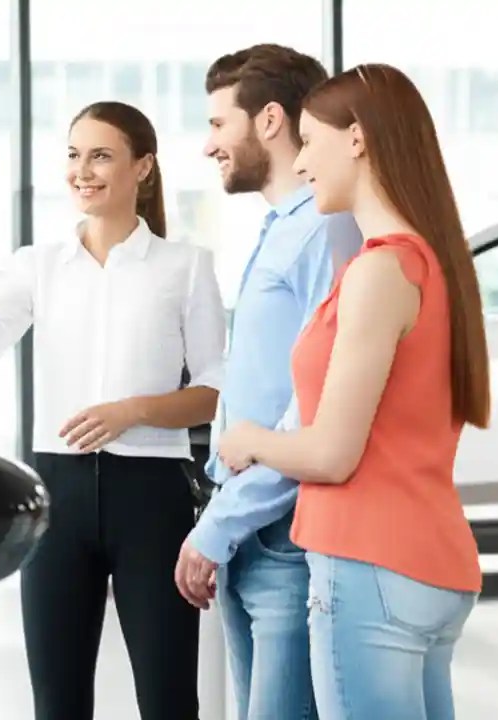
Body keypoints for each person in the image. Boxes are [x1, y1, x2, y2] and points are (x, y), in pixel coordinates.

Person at [0, 101, 226, 720]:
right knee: (57, 701)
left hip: (152, 498)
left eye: (101, 155)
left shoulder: (186, 267)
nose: (81, 170)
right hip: (56, 497)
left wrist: (132, 410)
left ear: (143, 168)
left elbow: (217, 391)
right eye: (73, 154)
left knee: (169, 698)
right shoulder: (38, 264)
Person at [217, 63, 489, 720]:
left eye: (311, 140)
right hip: (434, 566)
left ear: (358, 138)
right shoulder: (434, 262)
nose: (303, 162)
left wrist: (248, 439)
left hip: (369, 566)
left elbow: (333, 454)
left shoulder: (379, 270)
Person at [173, 43, 363, 720]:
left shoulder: (325, 233)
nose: (208, 146)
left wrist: (218, 527)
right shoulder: (282, 230)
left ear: (272, 121)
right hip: (247, 527)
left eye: (220, 125)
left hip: (282, 531)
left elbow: (309, 408)